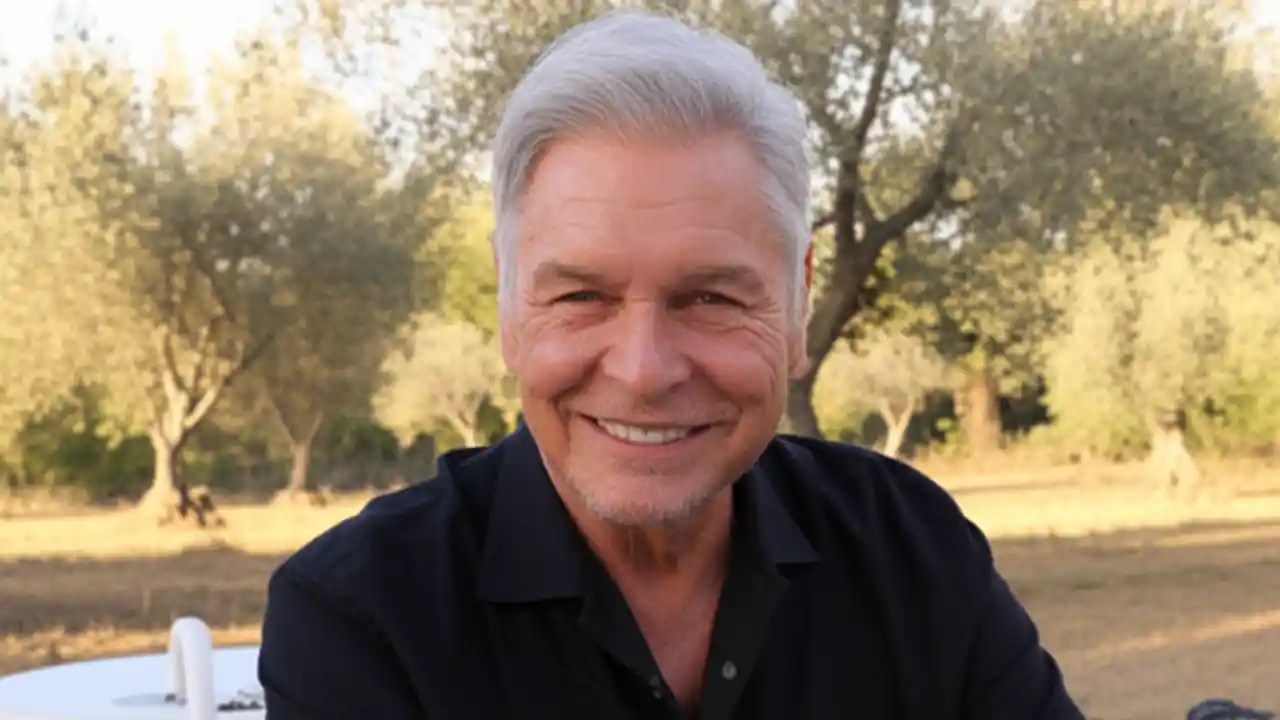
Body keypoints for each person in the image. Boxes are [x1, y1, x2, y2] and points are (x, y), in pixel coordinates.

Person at [257, 9, 1084, 719]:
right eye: (582, 296)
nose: (644, 371)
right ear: (510, 309)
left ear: (797, 306)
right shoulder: (362, 617)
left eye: (711, 299)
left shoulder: (911, 550)